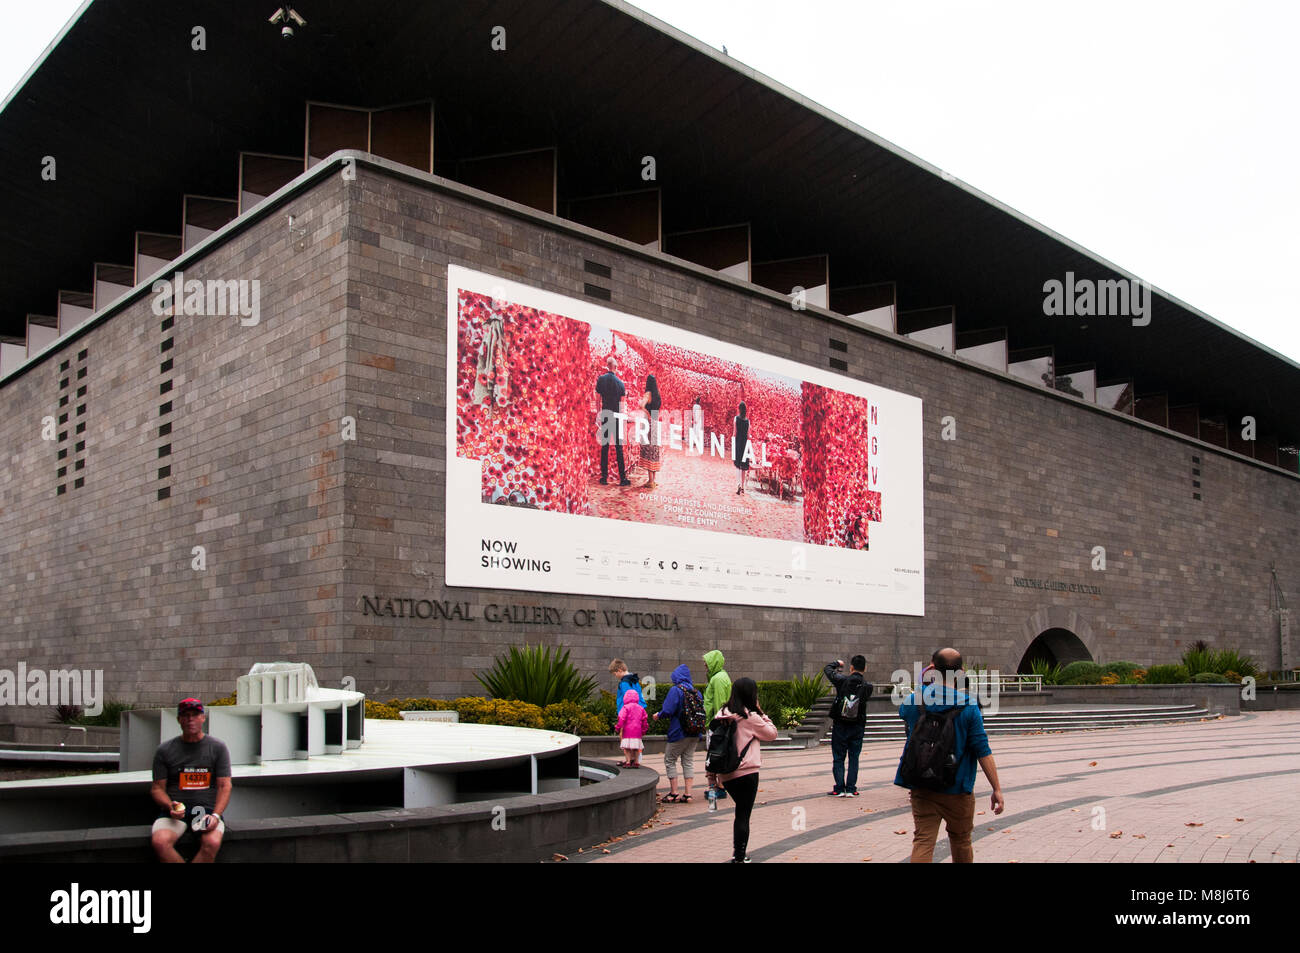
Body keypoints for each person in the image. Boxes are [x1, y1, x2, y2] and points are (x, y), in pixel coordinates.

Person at [894, 648, 1005, 863]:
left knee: (923, 840)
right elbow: (983, 751)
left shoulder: (912, 701)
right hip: (958, 787)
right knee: (961, 840)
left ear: (932, 669)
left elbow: (905, 716)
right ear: (962, 672)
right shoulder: (969, 706)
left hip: (921, 783)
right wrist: (996, 789)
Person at [150, 697, 232, 863]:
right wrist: (169, 805)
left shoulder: (218, 747)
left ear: (203, 717)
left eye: (195, 715)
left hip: (206, 812)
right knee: (160, 842)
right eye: (185, 715)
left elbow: (225, 785)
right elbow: (157, 788)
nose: (190, 719)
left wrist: (216, 815)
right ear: (179, 719)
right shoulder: (164, 750)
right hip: (174, 813)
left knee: (212, 842)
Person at [712, 678, 777, 862]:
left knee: (739, 812)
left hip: (726, 772)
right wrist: (761, 711)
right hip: (747, 772)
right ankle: (739, 855)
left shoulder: (722, 713)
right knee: (743, 815)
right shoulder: (750, 717)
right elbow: (772, 734)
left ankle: (738, 853)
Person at [654, 663, 702, 802]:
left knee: (670, 760)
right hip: (695, 731)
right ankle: (688, 794)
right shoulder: (696, 691)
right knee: (688, 761)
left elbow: (668, 710)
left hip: (679, 731)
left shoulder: (676, 690)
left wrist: (659, 715)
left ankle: (674, 792)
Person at [825, 655, 872, 796]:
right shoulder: (868, 687)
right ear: (865, 668)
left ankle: (839, 788)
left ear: (851, 667)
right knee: (854, 757)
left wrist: (837, 664)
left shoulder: (842, 681)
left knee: (838, 757)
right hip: (858, 726)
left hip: (841, 725)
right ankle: (851, 788)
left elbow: (827, 669)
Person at [595, 355, 632, 486]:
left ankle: (604, 477)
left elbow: (598, 400)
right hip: (617, 417)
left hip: (605, 415)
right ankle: (622, 479)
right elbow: (622, 405)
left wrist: (598, 415)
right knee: (619, 448)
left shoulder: (601, 380)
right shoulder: (621, 384)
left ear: (607, 365)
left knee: (604, 447)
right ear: (615, 367)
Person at [702, 649, 732, 806]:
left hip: (716, 725)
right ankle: (717, 785)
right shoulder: (719, 677)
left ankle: (716, 787)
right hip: (717, 724)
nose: (705, 666)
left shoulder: (718, 679)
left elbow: (719, 703)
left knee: (713, 756)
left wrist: (715, 723)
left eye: (707, 662)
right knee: (715, 755)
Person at [639, 374, 663, 489]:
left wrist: (647, 413)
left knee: (649, 450)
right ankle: (653, 480)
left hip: (649, 423)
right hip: (656, 423)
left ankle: (650, 481)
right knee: (654, 450)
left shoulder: (648, 394)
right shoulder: (657, 395)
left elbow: (641, 406)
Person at [615, 688, 649, 768]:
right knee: (636, 748)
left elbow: (621, 718)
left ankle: (628, 761)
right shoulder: (641, 708)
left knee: (627, 748)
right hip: (637, 732)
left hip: (627, 731)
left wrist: (618, 727)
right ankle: (636, 762)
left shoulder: (625, 707)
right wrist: (644, 730)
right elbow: (644, 720)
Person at [734, 401, 751, 494]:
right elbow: (749, 435)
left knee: (737, 466)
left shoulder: (736, 419)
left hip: (738, 443)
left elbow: (734, 433)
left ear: (739, 409)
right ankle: (743, 486)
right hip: (745, 444)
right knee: (744, 467)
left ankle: (738, 485)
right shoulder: (748, 421)